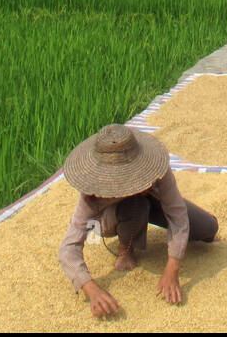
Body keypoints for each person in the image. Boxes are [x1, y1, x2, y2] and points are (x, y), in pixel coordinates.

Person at [58, 124, 218, 318]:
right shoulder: (92, 196)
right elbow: (68, 248)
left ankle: (187, 228)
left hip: (153, 199)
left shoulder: (158, 169)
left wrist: (172, 267)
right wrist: (91, 288)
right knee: (136, 206)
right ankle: (126, 247)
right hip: (112, 216)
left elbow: (177, 213)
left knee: (208, 227)